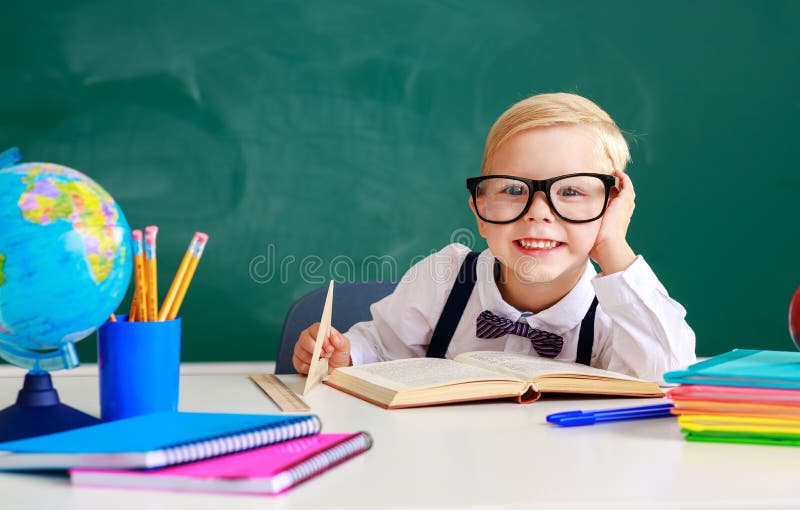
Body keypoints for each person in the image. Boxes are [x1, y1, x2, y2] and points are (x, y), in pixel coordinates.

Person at [293, 92, 696, 382]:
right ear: (480, 213)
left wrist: (613, 248)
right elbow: (381, 349)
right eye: (513, 189)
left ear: (611, 207)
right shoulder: (446, 277)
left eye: (571, 191)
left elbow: (667, 375)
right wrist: (345, 355)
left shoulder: (617, 309)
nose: (539, 211)